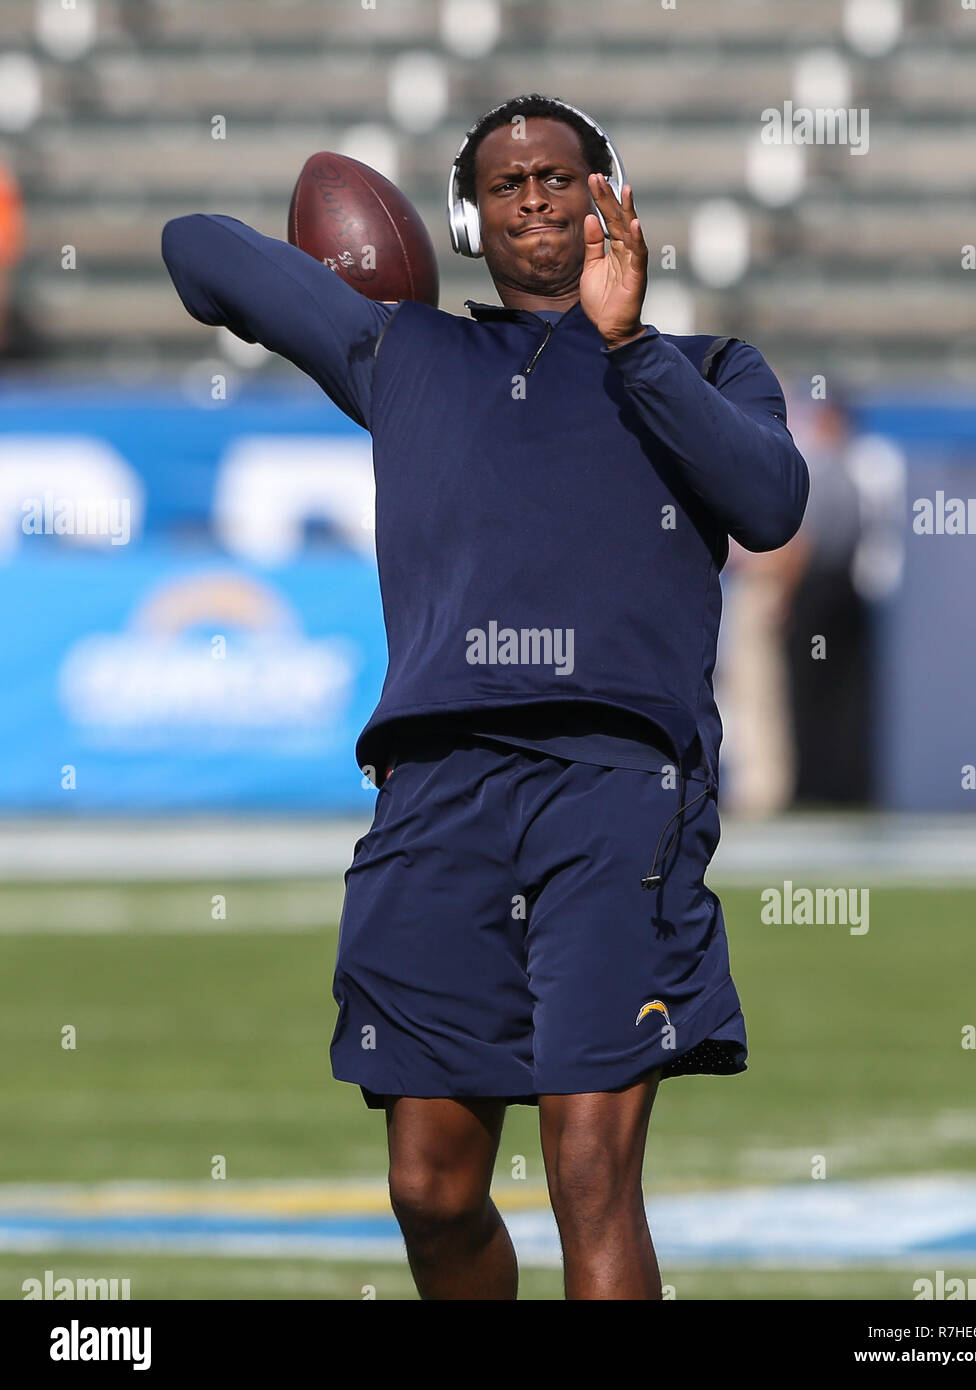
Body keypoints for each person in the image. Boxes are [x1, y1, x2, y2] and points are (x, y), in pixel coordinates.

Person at [162, 93, 809, 1300]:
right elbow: (193, 243)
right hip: (435, 793)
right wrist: (352, 292)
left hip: (614, 785)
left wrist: (627, 344)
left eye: (559, 177)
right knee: (430, 1187)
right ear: (466, 215)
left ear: (608, 197)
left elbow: (770, 502)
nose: (533, 199)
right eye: (504, 184)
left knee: (588, 1171)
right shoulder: (403, 353)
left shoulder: (707, 365)